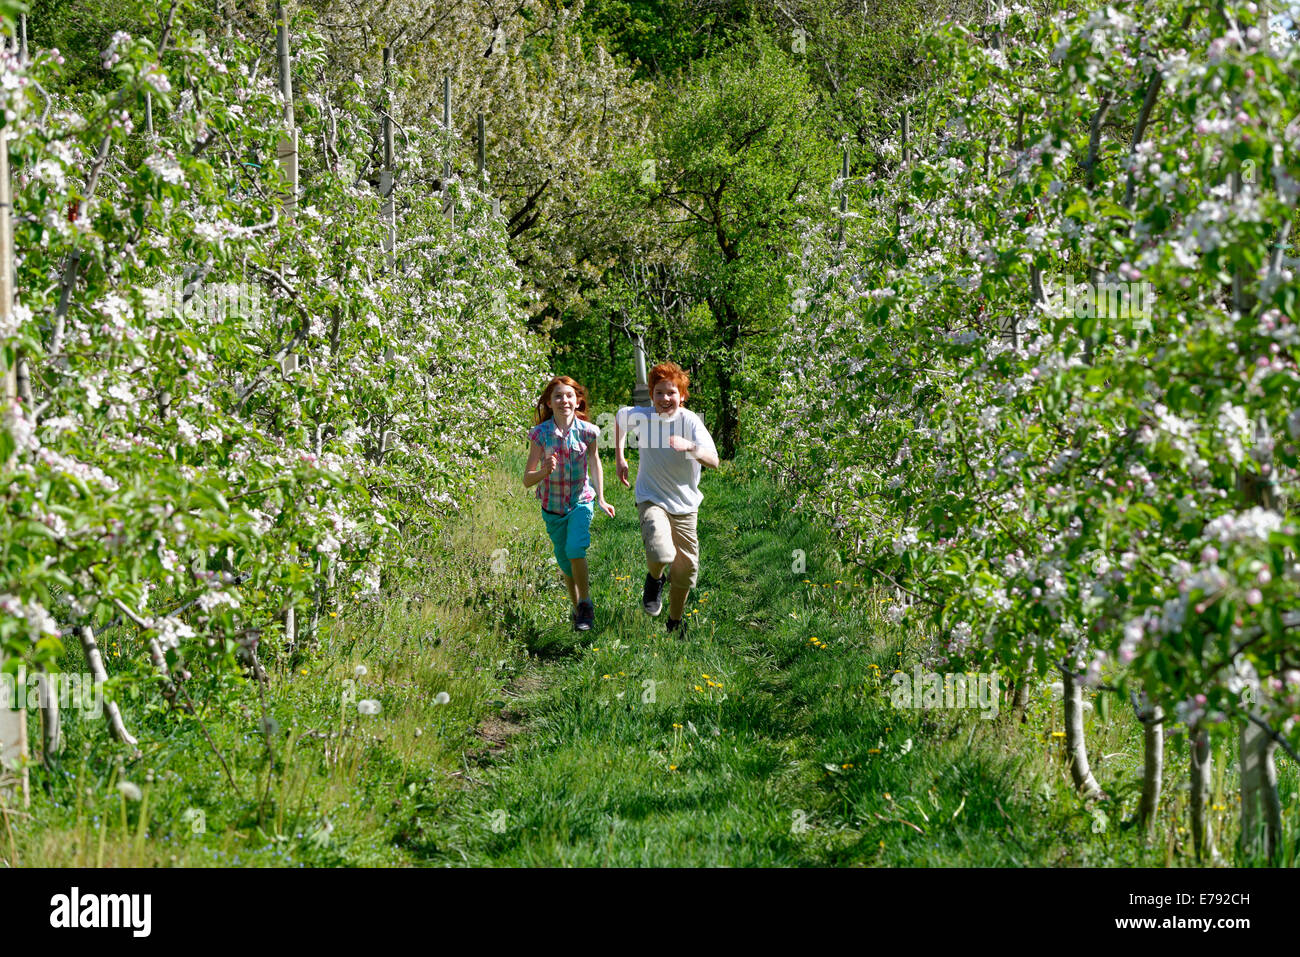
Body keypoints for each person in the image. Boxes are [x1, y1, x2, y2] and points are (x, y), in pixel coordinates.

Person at [613, 362, 719, 635]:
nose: (664, 398)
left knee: (685, 570)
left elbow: (714, 460)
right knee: (662, 552)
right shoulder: (641, 416)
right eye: (659, 393)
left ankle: (674, 622)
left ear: (681, 395)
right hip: (651, 497)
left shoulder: (690, 421)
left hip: (685, 504)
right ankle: (654, 579)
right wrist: (620, 457)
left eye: (671, 392)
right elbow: (618, 419)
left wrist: (691, 447)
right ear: (651, 395)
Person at [523, 376, 615, 631]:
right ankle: (578, 613)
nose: (564, 400)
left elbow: (595, 464)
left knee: (576, 549)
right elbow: (527, 480)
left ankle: (585, 603)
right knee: (565, 563)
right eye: (558, 396)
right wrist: (544, 471)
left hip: (580, 502)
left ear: (577, 402)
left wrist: (602, 498)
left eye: (569, 396)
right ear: (550, 404)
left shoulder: (588, 432)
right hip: (552, 509)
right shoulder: (540, 435)